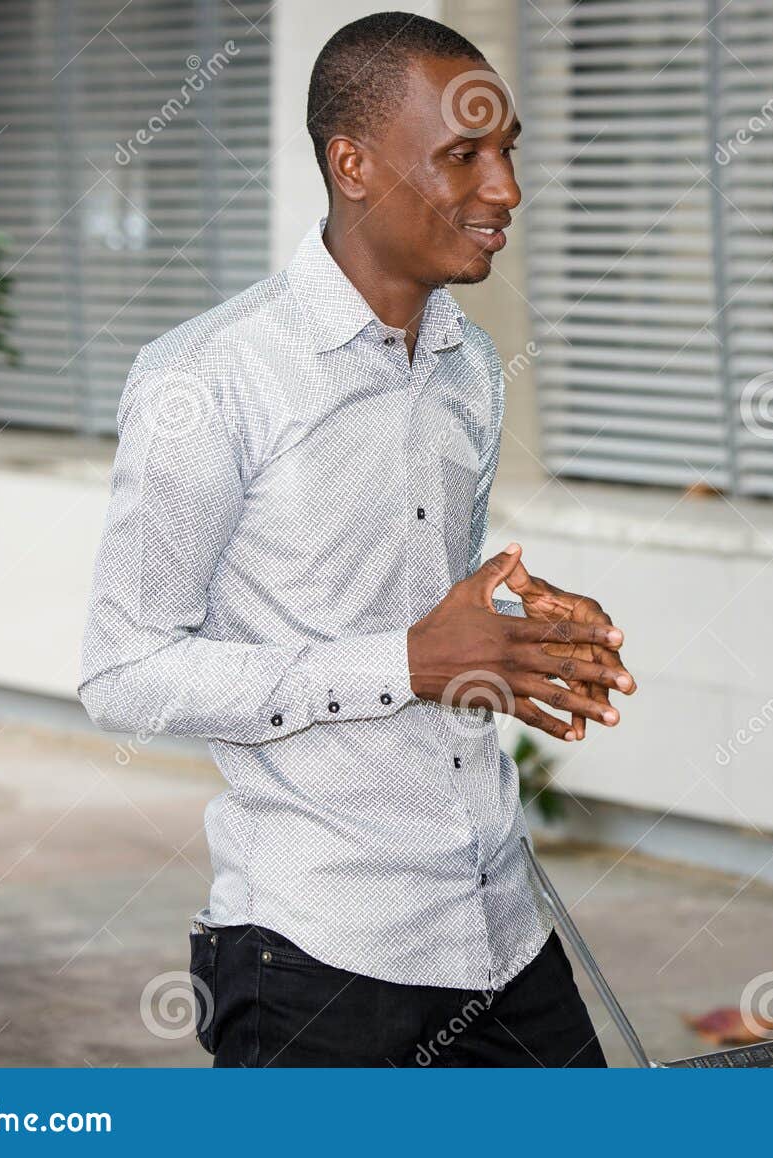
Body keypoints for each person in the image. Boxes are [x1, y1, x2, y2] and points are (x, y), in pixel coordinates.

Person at [78, 12, 633, 1067]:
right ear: (355, 164)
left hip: (495, 926)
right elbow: (125, 674)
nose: (505, 188)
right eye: (464, 156)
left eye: (507, 151)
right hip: (316, 945)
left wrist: (506, 627)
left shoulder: (467, 363)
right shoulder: (209, 379)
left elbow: (414, 603)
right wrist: (410, 662)